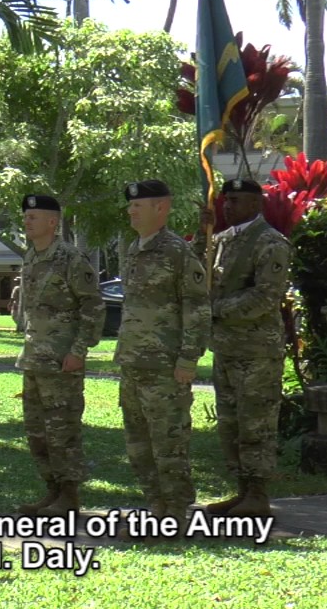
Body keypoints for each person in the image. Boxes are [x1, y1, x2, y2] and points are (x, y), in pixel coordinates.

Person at [114, 179, 209, 525]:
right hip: (133, 362)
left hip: (166, 367)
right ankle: (156, 507)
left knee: (169, 444)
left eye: (139, 205)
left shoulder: (177, 252)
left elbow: (197, 308)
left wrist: (188, 358)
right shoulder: (132, 248)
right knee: (138, 445)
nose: (131, 210)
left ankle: (177, 512)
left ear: (161, 207)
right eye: (130, 205)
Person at [200, 178, 291, 518]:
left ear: (256, 204)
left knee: (256, 423)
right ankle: (242, 491)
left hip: (257, 351)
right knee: (230, 423)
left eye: (235, 200)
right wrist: (204, 233)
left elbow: (266, 297)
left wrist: (217, 309)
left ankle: (258, 493)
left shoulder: (270, 243)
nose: (227, 206)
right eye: (226, 200)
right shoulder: (221, 240)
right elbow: (199, 272)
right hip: (227, 348)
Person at [14, 194, 104, 516]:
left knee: (62, 431)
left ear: (53, 222)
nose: (27, 221)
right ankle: (52, 492)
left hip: (62, 361)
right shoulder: (31, 257)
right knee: (37, 432)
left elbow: (93, 306)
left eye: (34, 216)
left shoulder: (70, 259)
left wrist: (79, 351)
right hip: (35, 359)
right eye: (26, 216)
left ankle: (70, 496)